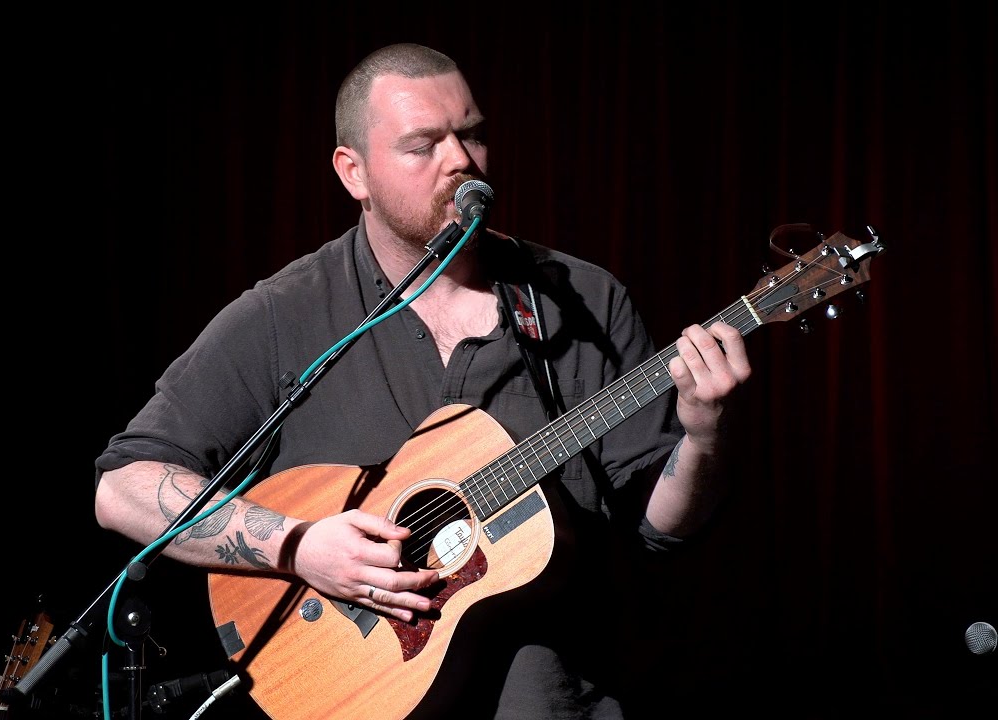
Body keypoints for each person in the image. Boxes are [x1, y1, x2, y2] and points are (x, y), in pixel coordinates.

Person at [93, 42, 752, 719]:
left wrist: (702, 437)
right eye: (423, 145)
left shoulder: (581, 299)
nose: (462, 161)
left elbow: (659, 528)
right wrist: (298, 546)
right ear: (355, 173)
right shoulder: (284, 313)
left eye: (471, 134)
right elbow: (123, 487)